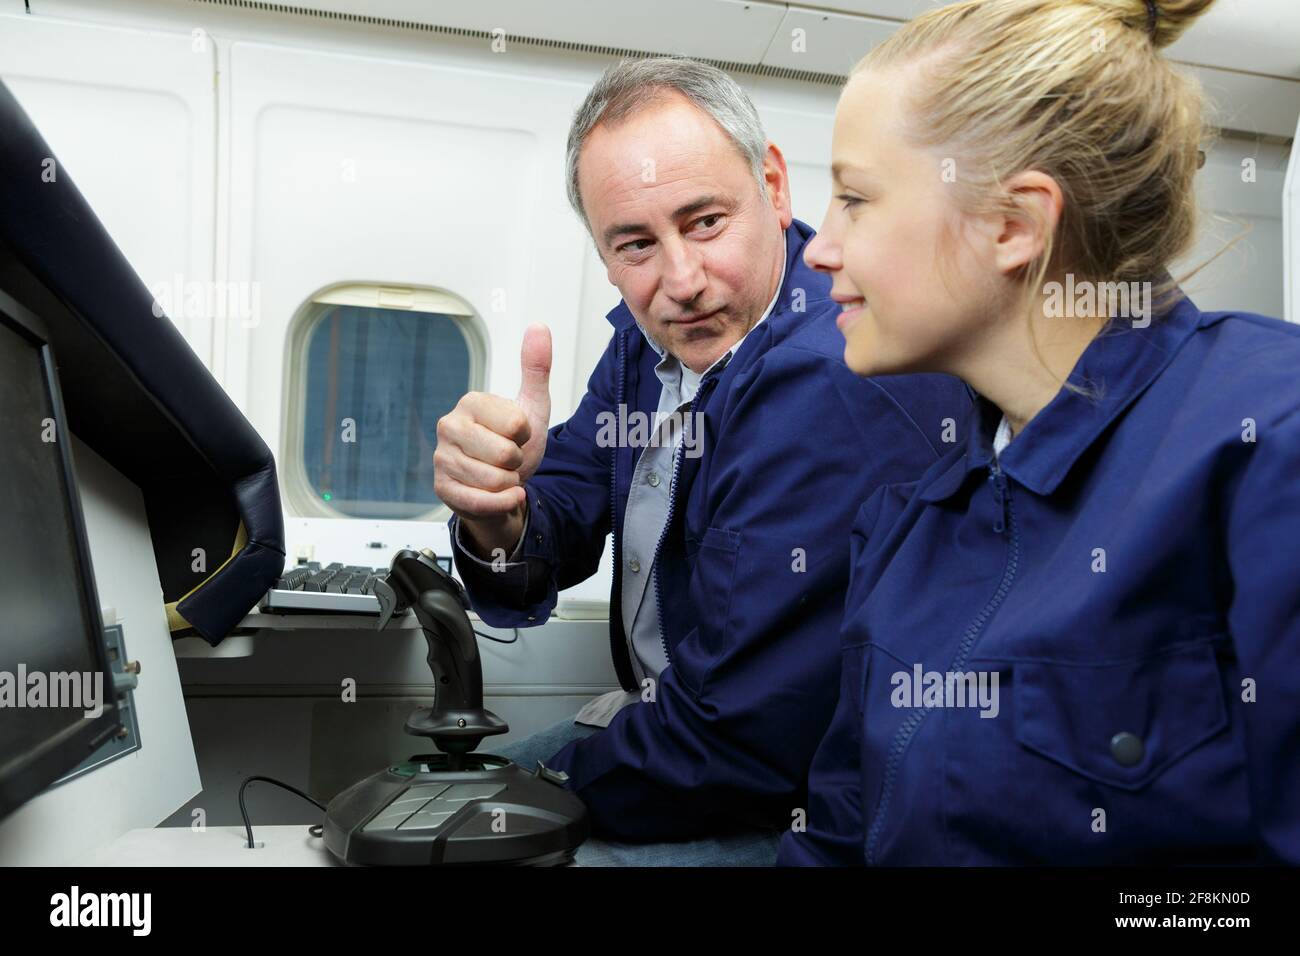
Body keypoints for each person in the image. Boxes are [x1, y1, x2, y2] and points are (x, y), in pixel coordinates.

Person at [780, 0, 1300, 865]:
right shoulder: (909, 523)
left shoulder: (1265, 441)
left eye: (854, 199)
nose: (817, 249)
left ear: (1012, 226)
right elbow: (838, 836)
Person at [433, 56, 970, 865]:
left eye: (706, 222)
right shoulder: (647, 338)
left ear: (775, 186)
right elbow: (562, 523)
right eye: (636, 243)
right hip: (671, 736)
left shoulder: (831, 375)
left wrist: (540, 783)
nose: (681, 281)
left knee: (459, 838)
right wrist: (497, 522)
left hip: (784, 799)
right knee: (427, 815)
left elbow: (740, 738)